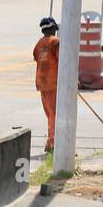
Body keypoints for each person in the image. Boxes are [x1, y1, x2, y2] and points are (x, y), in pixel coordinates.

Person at [33, 16, 60, 153]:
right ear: (53, 29)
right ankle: (53, 143)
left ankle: (51, 142)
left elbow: (36, 58)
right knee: (55, 114)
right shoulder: (55, 42)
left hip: (42, 83)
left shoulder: (39, 43)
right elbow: (63, 61)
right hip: (53, 82)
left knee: (50, 114)